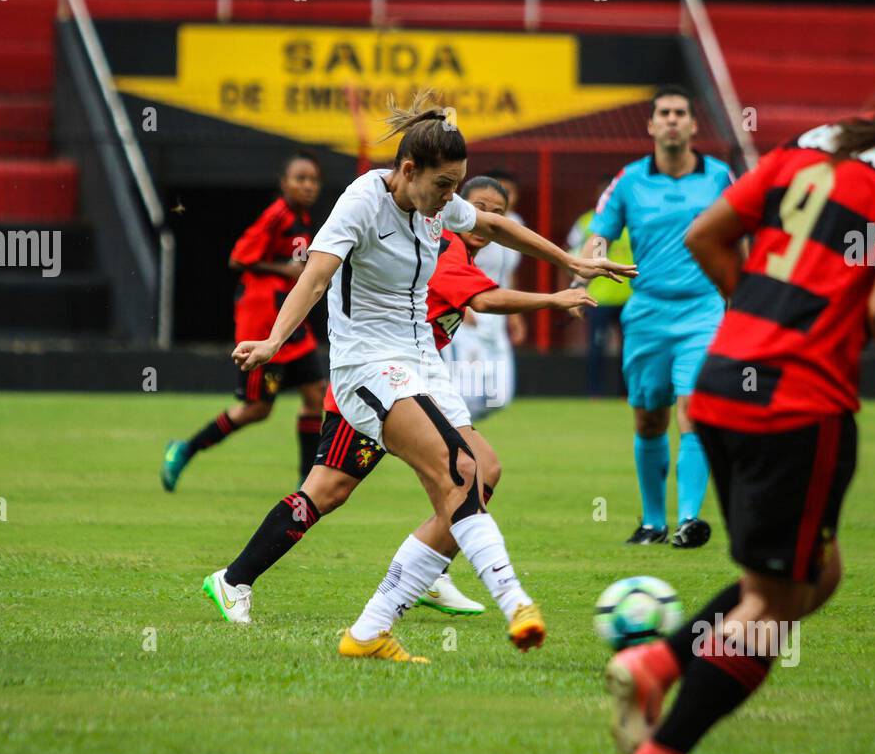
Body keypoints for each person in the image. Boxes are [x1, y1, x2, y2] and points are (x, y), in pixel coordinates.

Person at [605, 18, 875, 754]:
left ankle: (658, 661)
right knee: (774, 603)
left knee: (814, 572)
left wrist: (757, 315)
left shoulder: (815, 139)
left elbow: (708, 235)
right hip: (798, 403)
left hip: (725, 384)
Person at [205, 91, 633, 662]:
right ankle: (514, 602)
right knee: (456, 473)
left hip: (422, 367)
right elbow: (313, 279)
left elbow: (493, 224)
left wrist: (571, 261)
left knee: (470, 473)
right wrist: (274, 342)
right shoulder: (360, 203)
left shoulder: (438, 206)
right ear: (408, 171)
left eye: (457, 186)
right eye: (444, 186)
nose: (451, 200)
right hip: (367, 369)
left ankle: (354, 623)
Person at [581, 85, 733, 548]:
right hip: (646, 312)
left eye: (680, 112)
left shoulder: (721, 177)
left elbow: (743, 235)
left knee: (694, 410)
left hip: (703, 309)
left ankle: (689, 520)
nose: (671, 119)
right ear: (650, 125)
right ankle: (652, 522)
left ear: (692, 125)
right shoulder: (628, 180)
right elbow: (600, 236)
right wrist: (582, 277)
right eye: (663, 113)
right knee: (649, 419)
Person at [161, 152, 327, 490]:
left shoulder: (303, 218)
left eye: (313, 180)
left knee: (315, 395)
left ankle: (307, 482)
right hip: (263, 324)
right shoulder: (276, 216)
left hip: (291, 326)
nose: (308, 185)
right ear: (284, 183)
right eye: (300, 178)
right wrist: (284, 270)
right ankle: (185, 449)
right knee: (256, 409)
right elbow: (238, 258)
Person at [446, 167, 526, 418]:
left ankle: (454, 429)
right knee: (467, 391)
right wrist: (463, 304)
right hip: (467, 309)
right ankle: (455, 436)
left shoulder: (517, 226)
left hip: (497, 313)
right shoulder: (464, 225)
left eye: (507, 192)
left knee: (499, 396)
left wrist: (514, 316)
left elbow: (507, 273)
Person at [566, 183, 633, 397]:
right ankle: (595, 392)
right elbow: (571, 253)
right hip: (599, 298)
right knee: (596, 348)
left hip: (629, 298)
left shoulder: (633, 221)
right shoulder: (587, 223)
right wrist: (577, 285)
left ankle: (626, 393)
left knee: (630, 350)